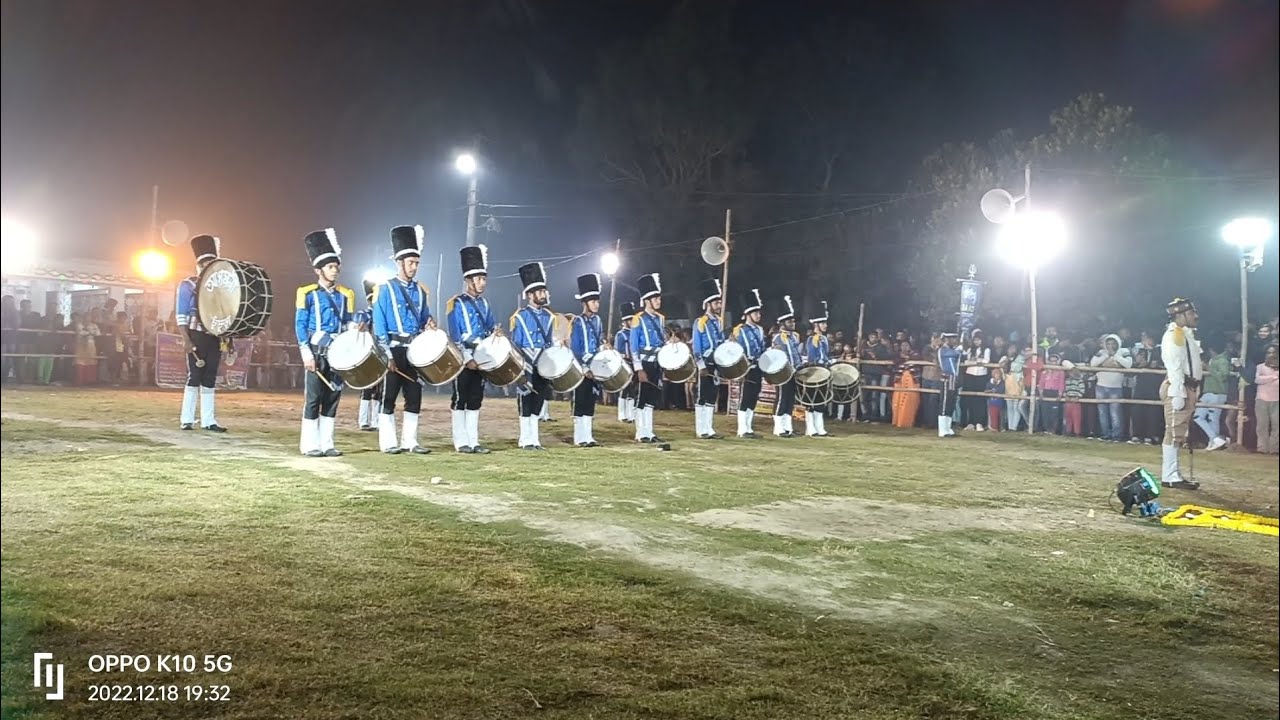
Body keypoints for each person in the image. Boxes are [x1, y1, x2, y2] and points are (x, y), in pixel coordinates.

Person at [371, 225, 434, 455]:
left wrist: (430, 323)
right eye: (411, 263)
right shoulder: (384, 288)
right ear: (399, 263)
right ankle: (388, 442)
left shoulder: (421, 291)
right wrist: (386, 354)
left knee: (414, 397)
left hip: (414, 350)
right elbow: (379, 325)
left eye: (417, 263)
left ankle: (410, 441)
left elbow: (425, 316)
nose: (415, 267)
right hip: (394, 350)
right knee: (389, 397)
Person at [294, 228, 355, 457]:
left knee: (332, 398)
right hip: (317, 353)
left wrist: (355, 327)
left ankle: (327, 443)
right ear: (318, 270)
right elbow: (300, 325)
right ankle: (309, 444)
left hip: (337, 355)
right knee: (313, 399)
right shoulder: (307, 293)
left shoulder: (346, 295)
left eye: (336, 267)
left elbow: (347, 322)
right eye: (330, 267)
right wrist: (306, 354)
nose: (335, 271)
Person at [446, 245, 497, 454]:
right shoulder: (454, 304)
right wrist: (467, 358)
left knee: (476, 399)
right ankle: (460, 441)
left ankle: (474, 441)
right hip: (463, 358)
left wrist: (497, 335)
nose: (483, 283)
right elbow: (455, 335)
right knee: (460, 398)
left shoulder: (485, 304)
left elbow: (491, 327)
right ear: (469, 280)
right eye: (479, 278)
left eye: (484, 278)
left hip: (481, 357)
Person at [175, 234, 226, 431]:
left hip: (214, 337)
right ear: (199, 264)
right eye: (205, 263)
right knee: (194, 376)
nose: (208, 266)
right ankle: (186, 419)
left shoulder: (222, 288)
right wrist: (185, 338)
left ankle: (208, 420)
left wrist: (227, 339)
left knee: (210, 377)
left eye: (211, 263)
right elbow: (181, 313)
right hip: (195, 335)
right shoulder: (187, 284)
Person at [510, 262, 558, 450]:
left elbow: (549, 343)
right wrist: (519, 370)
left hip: (542, 364)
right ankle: (524, 439)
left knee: (538, 401)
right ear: (530, 295)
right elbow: (516, 346)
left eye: (544, 291)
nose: (544, 295)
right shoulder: (519, 317)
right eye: (540, 292)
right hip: (526, 364)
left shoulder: (549, 316)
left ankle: (535, 439)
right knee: (526, 401)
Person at [1159, 297, 1203, 489]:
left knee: (1179, 431)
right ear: (1181, 315)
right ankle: (1169, 474)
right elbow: (1174, 365)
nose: (1196, 316)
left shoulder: (1184, 334)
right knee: (1174, 431)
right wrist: (1177, 392)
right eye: (1192, 313)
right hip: (1179, 387)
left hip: (1187, 386)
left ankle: (1173, 473)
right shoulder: (1174, 335)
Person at [628, 273, 667, 444]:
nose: (659, 301)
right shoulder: (638, 319)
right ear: (647, 300)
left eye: (658, 297)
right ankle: (640, 432)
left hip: (658, 363)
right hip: (644, 363)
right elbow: (634, 346)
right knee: (642, 398)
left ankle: (649, 432)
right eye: (655, 298)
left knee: (652, 399)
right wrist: (639, 368)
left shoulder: (660, 319)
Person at [569, 273, 605, 447]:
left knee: (591, 400)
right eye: (593, 301)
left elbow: (598, 342)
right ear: (585, 303)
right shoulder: (577, 322)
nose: (596, 304)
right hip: (582, 369)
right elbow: (575, 348)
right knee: (580, 400)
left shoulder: (598, 321)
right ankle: (579, 437)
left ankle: (588, 436)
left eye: (597, 301)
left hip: (595, 367)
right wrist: (584, 368)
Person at [690, 279, 726, 439]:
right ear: (708, 304)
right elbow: (697, 346)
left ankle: (709, 428)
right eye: (716, 303)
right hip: (705, 363)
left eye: (719, 302)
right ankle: (701, 429)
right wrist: (701, 365)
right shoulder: (700, 321)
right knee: (702, 396)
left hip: (716, 363)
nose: (719, 305)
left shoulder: (718, 322)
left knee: (712, 395)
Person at [731, 289, 767, 439]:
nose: (759, 315)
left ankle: (749, 428)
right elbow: (737, 349)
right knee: (745, 397)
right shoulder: (740, 329)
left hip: (758, 366)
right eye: (756, 312)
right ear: (748, 314)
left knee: (754, 397)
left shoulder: (760, 329)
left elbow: (762, 347)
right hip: (746, 367)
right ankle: (742, 429)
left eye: (759, 312)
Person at [1090, 333, 1132, 442]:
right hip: (1101, 385)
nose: (1110, 346)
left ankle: (1116, 436)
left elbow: (1128, 364)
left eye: (1113, 343)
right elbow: (1093, 364)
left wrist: (1115, 356)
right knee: (1102, 412)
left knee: (1115, 413)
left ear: (1117, 343)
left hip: (1116, 387)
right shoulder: (1101, 352)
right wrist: (1106, 356)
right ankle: (1105, 434)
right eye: (1108, 343)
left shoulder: (1124, 351)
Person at [771, 295, 803, 438]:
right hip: (783, 373)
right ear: (783, 323)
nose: (793, 323)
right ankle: (778, 428)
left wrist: (799, 367)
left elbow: (796, 354)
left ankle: (788, 427)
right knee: (781, 399)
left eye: (793, 320)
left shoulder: (794, 337)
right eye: (790, 321)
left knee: (790, 400)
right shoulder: (778, 338)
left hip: (794, 372)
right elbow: (780, 357)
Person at [354, 278, 382, 432]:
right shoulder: (363, 314)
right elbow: (357, 325)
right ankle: (364, 421)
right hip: (366, 356)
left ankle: (376, 421)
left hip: (379, 355)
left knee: (378, 390)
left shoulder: (382, 315)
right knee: (367, 389)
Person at [1193, 341, 1231, 451]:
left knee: (1212, 418)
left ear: (1212, 350)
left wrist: (1208, 369)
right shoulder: (1213, 360)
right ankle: (1214, 439)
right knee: (1198, 416)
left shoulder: (1223, 360)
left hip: (1217, 393)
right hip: (1208, 392)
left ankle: (1214, 440)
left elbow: (1223, 376)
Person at [804, 301, 833, 436]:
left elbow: (825, 355)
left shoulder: (824, 339)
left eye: (825, 323)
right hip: (815, 372)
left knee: (821, 401)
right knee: (812, 401)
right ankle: (810, 428)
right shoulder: (812, 339)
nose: (825, 325)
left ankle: (820, 428)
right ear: (816, 324)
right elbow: (812, 357)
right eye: (822, 323)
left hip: (824, 371)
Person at [1130, 348, 1165, 444]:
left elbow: (1159, 366)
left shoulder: (1159, 352)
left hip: (1154, 389)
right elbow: (1130, 372)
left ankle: (1150, 436)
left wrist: (1154, 364)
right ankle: (1137, 435)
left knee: (1153, 414)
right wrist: (1140, 364)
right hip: (1141, 389)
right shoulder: (1142, 352)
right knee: (1137, 412)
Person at [961, 330, 991, 431]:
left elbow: (986, 361)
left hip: (981, 376)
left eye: (978, 340)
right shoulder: (970, 349)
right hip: (970, 375)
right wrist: (975, 361)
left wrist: (977, 361)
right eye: (975, 340)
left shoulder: (986, 350)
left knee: (980, 400)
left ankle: (979, 422)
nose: (976, 342)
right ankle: (971, 422)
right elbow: (967, 361)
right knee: (970, 399)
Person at [614, 302, 637, 423]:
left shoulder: (634, 332)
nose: (633, 322)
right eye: (630, 320)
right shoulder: (621, 334)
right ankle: (622, 414)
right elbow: (618, 351)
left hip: (634, 363)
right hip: (625, 363)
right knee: (625, 389)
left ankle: (631, 414)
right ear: (626, 321)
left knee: (633, 390)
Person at [1254, 343, 1279, 454]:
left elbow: (1262, 379)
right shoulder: (1260, 366)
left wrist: (1267, 378)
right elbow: (1257, 380)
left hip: (1277, 400)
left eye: (1273, 352)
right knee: (1262, 425)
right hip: (1262, 399)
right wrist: (1274, 377)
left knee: (1277, 425)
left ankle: (1274, 448)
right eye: (1269, 352)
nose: (1271, 355)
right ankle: (1262, 448)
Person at [936, 332, 961, 437]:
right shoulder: (942, 350)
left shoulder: (953, 350)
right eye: (953, 339)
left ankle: (948, 428)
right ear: (947, 340)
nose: (955, 341)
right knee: (945, 403)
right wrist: (959, 350)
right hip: (947, 378)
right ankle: (942, 430)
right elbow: (953, 354)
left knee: (951, 403)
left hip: (954, 379)